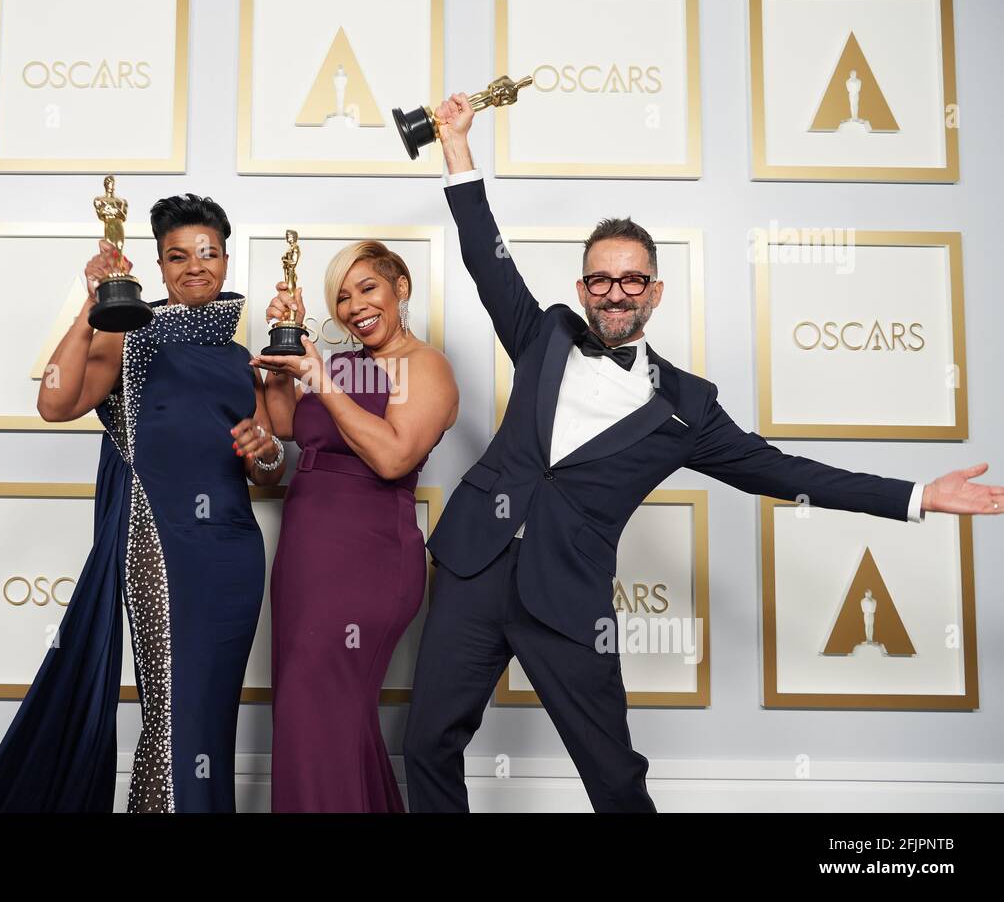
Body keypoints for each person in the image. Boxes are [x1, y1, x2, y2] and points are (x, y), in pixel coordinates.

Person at [403, 93, 1004, 813]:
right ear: (582, 288)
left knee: (612, 771)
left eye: (632, 279)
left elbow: (785, 472)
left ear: (654, 290)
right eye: (601, 278)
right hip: (474, 563)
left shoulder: (687, 407)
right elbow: (484, 256)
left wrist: (917, 496)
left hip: (566, 593)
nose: (615, 292)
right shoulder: (547, 334)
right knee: (428, 743)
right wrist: (459, 146)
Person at [0, 194, 285, 813]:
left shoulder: (243, 359)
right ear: (158, 267)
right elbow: (55, 403)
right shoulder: (128, 339)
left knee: (211, 714)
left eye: (209, 253)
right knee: (170, 711)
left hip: (234, 551)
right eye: (178, 256)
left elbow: (267, 472)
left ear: (226, 260)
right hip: (159, 543)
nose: (196, 267)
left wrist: (264, 450)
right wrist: (93, 306)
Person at [251, 240, 458, 812]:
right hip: (306, 548)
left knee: (322, 712)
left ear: (401, 287)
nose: (353, 307)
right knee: (312, 711)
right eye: (341, 298)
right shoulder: (341, 364)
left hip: (367, 555)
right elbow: (289, 425)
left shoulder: (426, 366)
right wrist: (283, 357)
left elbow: (392, 457)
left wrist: (317, 373)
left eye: (367, 288)